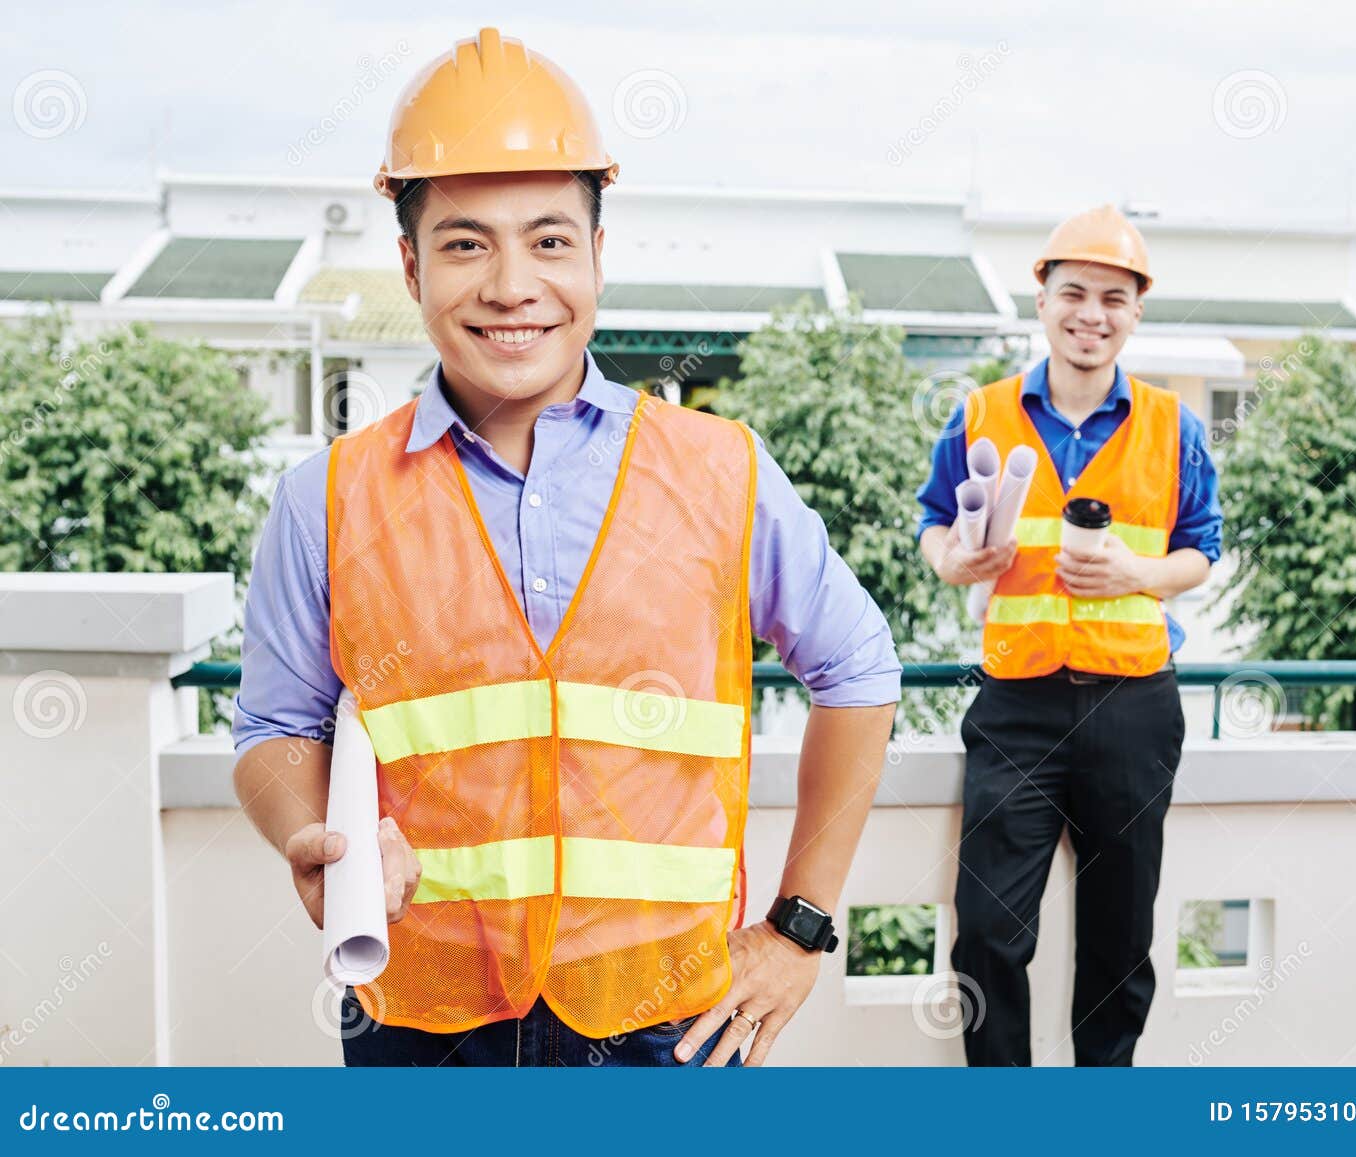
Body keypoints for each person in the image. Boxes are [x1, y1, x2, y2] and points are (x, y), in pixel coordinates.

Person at [232, 27, 899, 1068]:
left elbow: (858, 670)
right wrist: (302, 831)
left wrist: (800, 924)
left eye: (548, 239)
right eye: (465, 243)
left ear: (596, 253)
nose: (510, 286)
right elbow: (275, 729)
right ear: (410, 264)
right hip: (419, 1022)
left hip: (670, 1024)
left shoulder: (720, 470)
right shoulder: (323, 498)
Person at [915, 204, 1222, 1066]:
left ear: (1136, 312)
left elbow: (1204, 550)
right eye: (1075, 293)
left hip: (1134, 707)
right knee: (986, 936)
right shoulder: (980, 413)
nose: (1093, 314)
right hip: (1017, 704)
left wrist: (1139, 574)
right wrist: (956, 563)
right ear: (1042, 300)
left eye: (1113, 299)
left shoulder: (1174, 427)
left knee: (1120, 945)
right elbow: (934, 526)